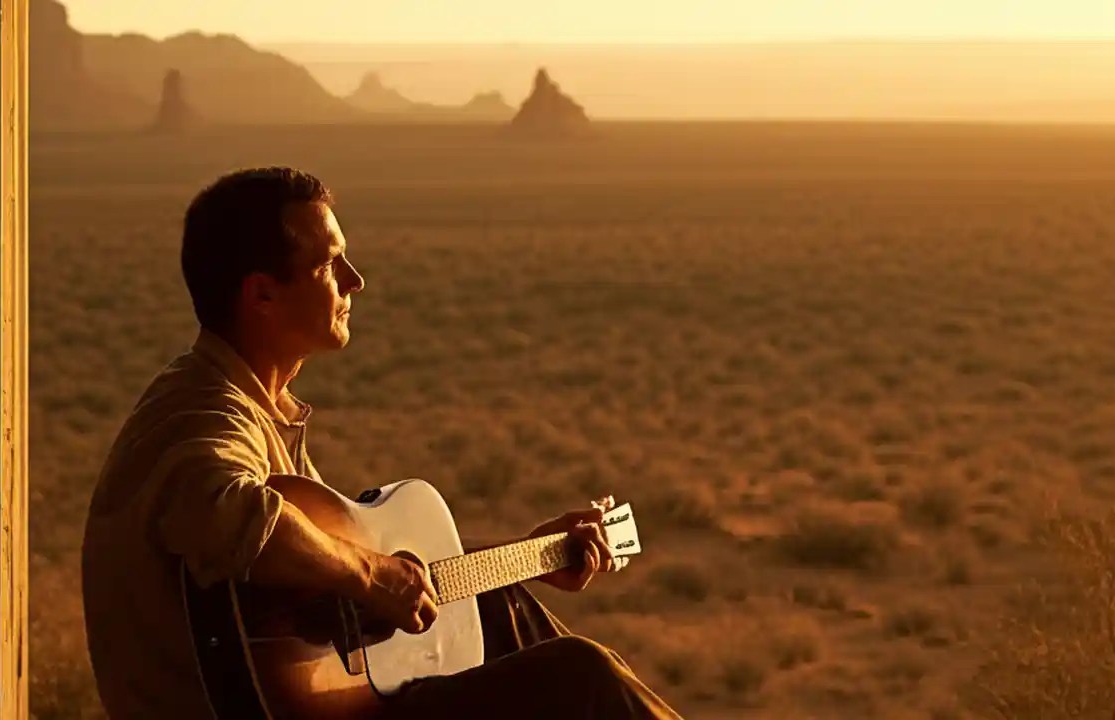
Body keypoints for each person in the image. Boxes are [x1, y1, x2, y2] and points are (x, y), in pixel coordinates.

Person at [80, 166, 683, 719]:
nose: (356, 281)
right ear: (261, 294)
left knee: (502, 611)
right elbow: (230, 511)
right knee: (582, 676)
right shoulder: (202, 412)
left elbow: (329, 594)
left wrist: (527, 556)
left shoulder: (249, 404)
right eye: (329, 265)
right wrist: (372, 577)